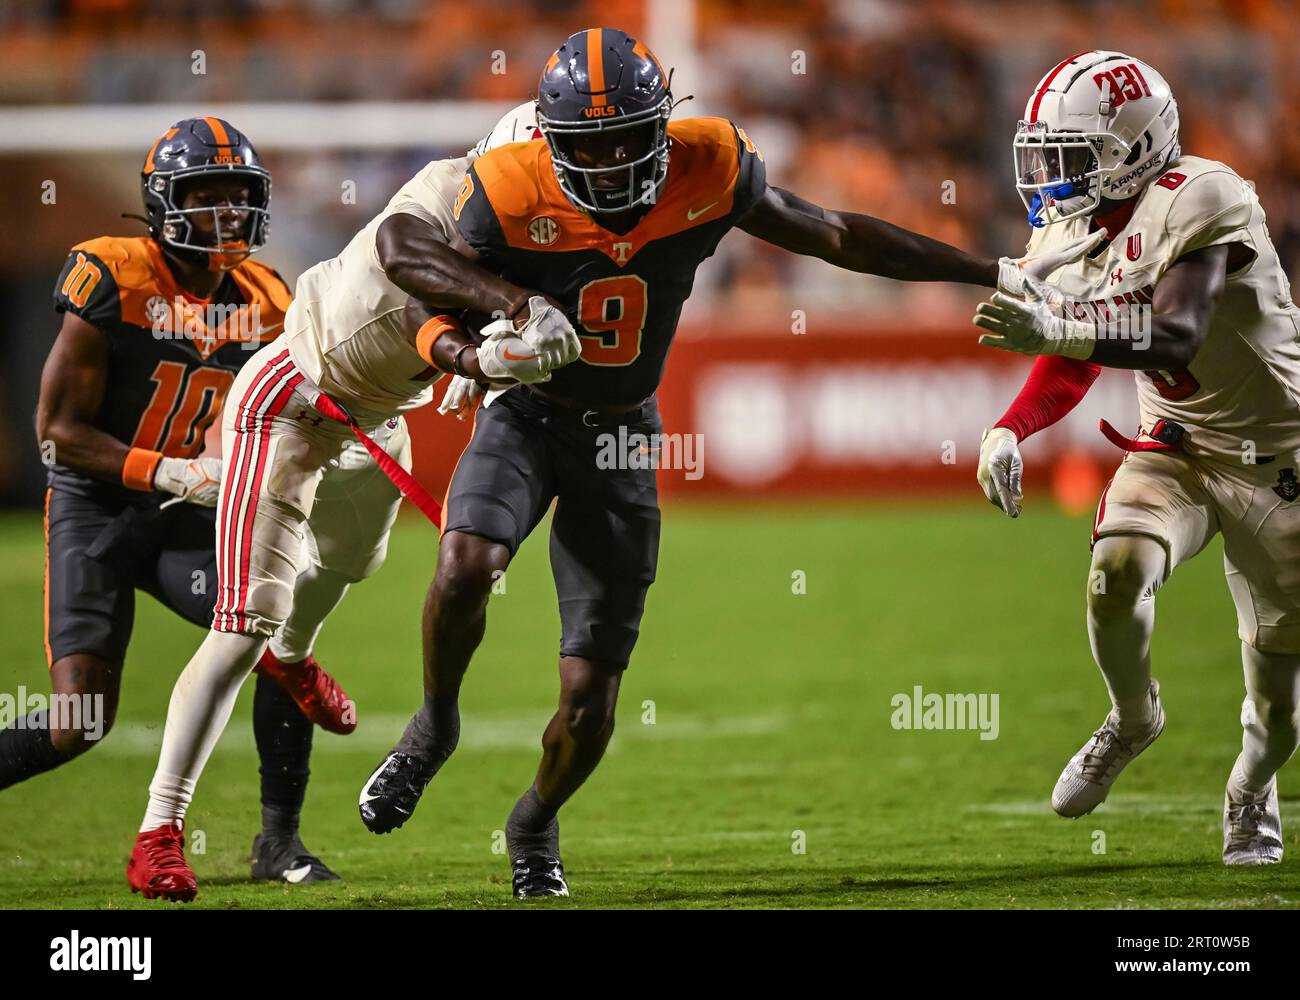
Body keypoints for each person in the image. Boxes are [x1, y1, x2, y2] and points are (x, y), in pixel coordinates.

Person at [973, 51, 1300, 864]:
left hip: (1278, 460)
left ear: (1132, 147)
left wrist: (1059, 326)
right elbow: (1076, 353)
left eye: (1070, 153)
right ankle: (1132, 716)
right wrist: (1011, 426)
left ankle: (1251, 787)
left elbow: (1178, 330)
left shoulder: (1204, 196)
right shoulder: (1072, 225)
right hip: (1178, 447)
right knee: (1115, 573)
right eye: (1043, 152)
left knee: (1279, 709)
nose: (1049, 173)